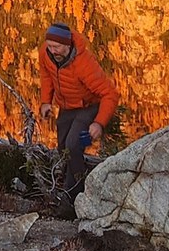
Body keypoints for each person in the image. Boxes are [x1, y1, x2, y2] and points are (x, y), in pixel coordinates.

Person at [36, 21, 118, 207]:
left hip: (89, 107)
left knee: (74, 145)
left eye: (57, 47)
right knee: (63, 149)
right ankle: (68, 185)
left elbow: (110, 94)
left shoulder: (84, 64)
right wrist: (46, 101)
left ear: (67, 45)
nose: (52, 51)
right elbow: (46, 74)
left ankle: (77, 194)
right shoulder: (46, 53)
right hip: (67, 106)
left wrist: (99, 123)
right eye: (50, 46)